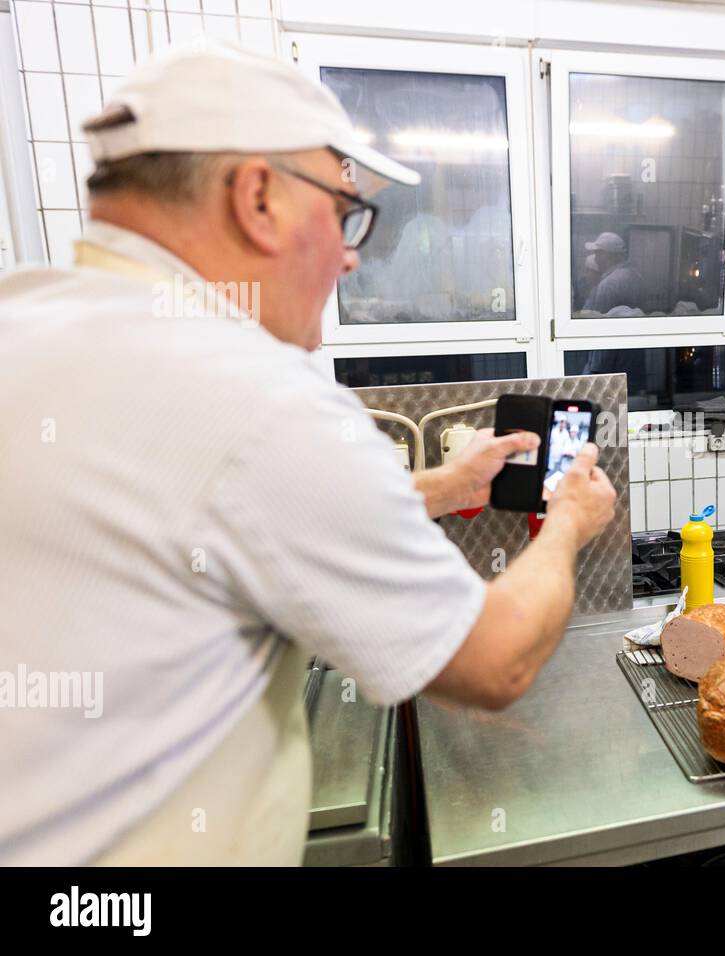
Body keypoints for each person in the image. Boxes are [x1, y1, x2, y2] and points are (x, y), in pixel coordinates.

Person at [0, 41, 615, 866]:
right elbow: (496, 660)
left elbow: (228, 510)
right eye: (344, 212)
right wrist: (569, 519)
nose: (352, 254)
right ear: (258, 199)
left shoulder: (31, 321)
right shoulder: (251, 393)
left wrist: (445, 484)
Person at [581, 231, 644, 314]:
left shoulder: (609, 284)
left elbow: (598, 319)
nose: (596, 259)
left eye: (598, 254)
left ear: (610, 255)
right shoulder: (636, 275)